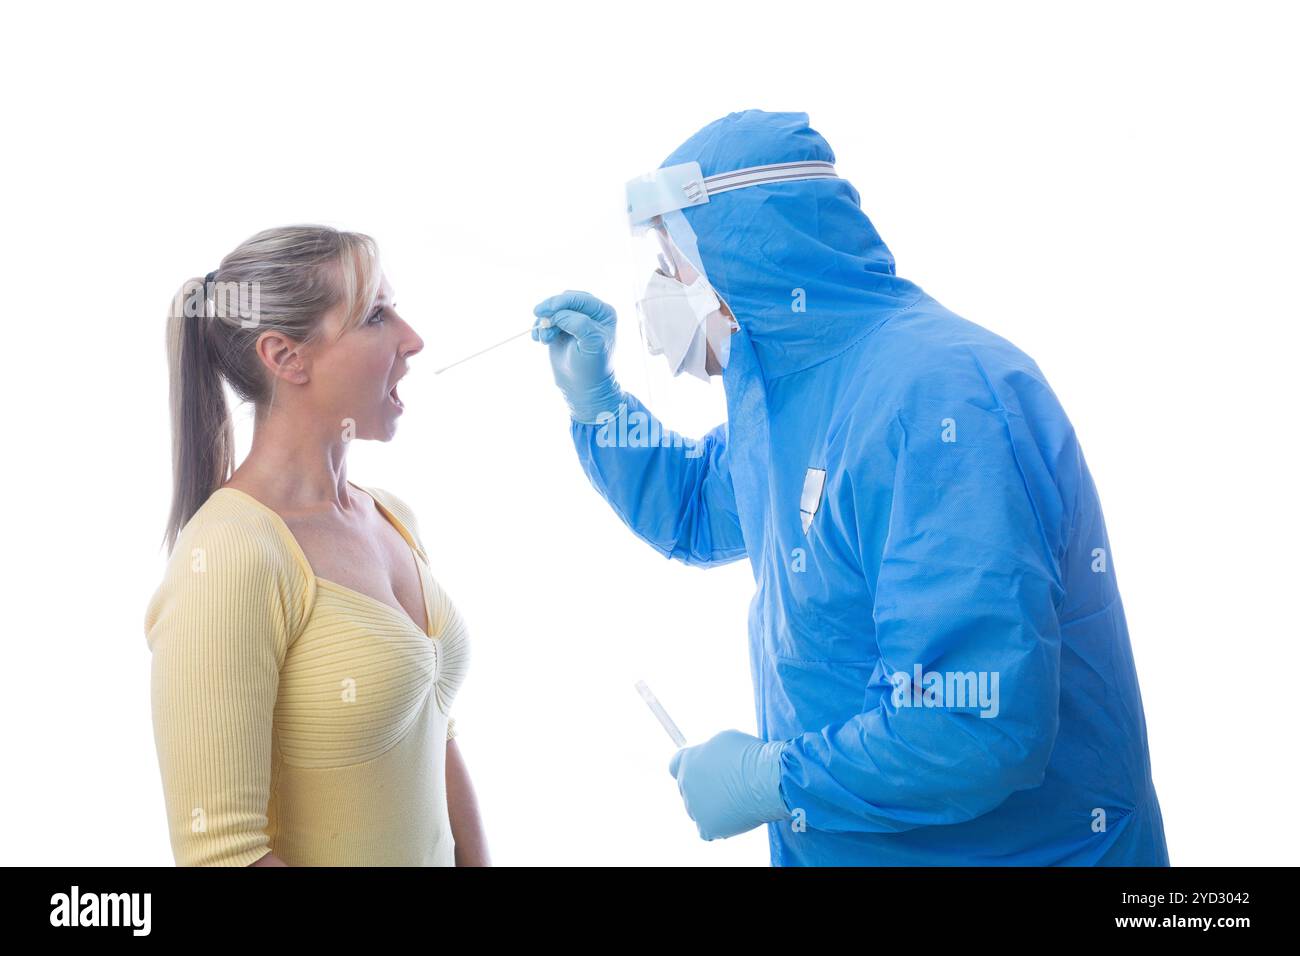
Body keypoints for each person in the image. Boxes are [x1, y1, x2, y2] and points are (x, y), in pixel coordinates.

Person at [533, 110, 1169, 866]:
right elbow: (706, 508)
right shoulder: (796, 395)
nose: (663, 291)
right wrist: (600, 409)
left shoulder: (941, 398)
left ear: (747, 251)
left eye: (675, 264)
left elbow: (974, 724)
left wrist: (778, 779)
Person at [146, 224, 487, 865]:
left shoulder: (391, 517)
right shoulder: (227, 557)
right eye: (376, 316)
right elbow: (223, 852)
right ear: (286, 357)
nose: (412, 339)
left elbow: (433, 730)